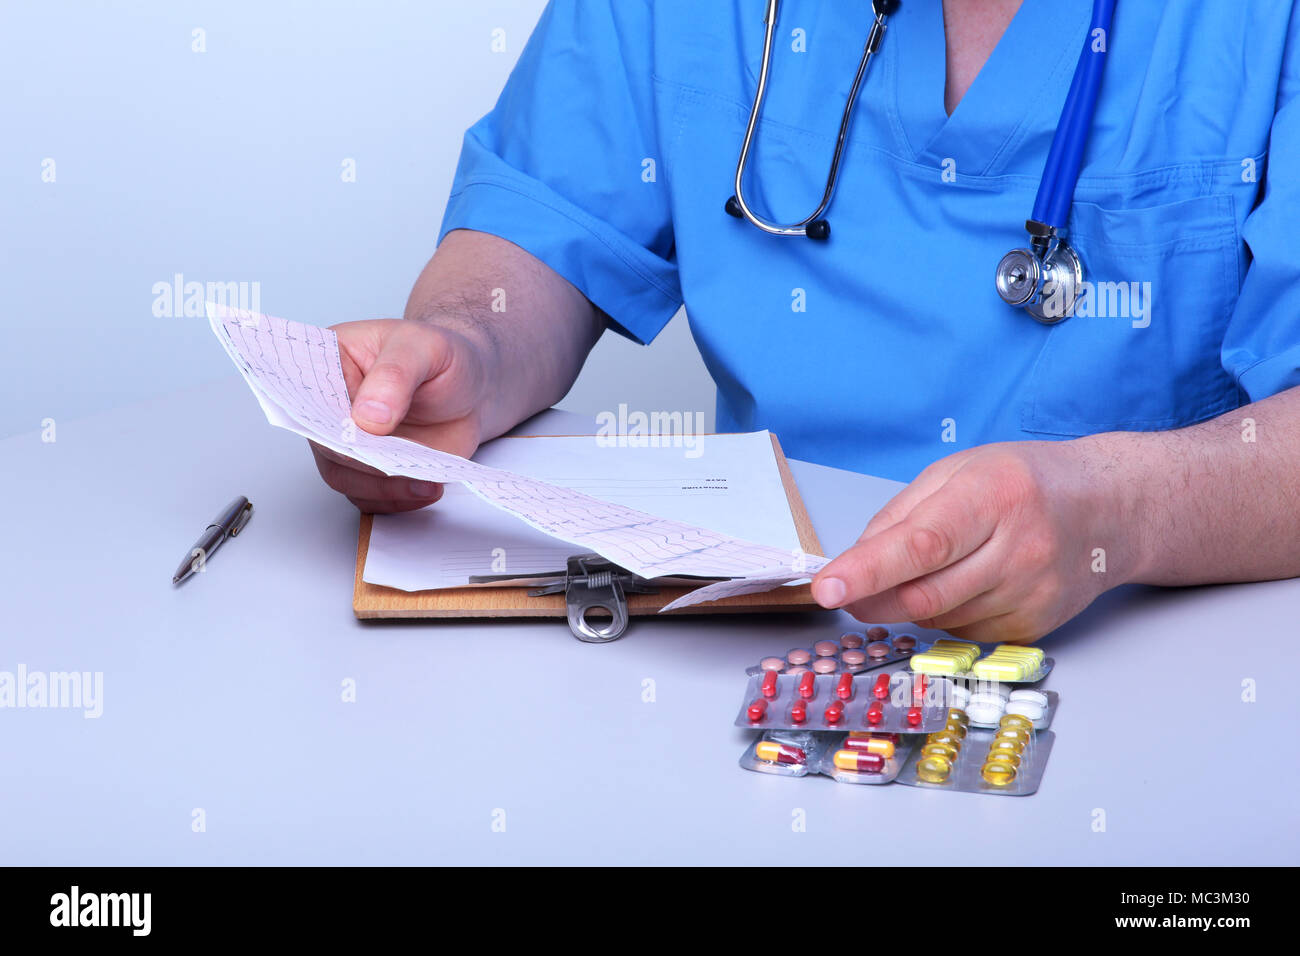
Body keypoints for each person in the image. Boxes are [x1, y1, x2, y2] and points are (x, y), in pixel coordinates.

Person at [311, 0, 1300, 642]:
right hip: (755, 645)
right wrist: (463, 347)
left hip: (1158, 661)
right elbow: (542, 223)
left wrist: (1118, 515)